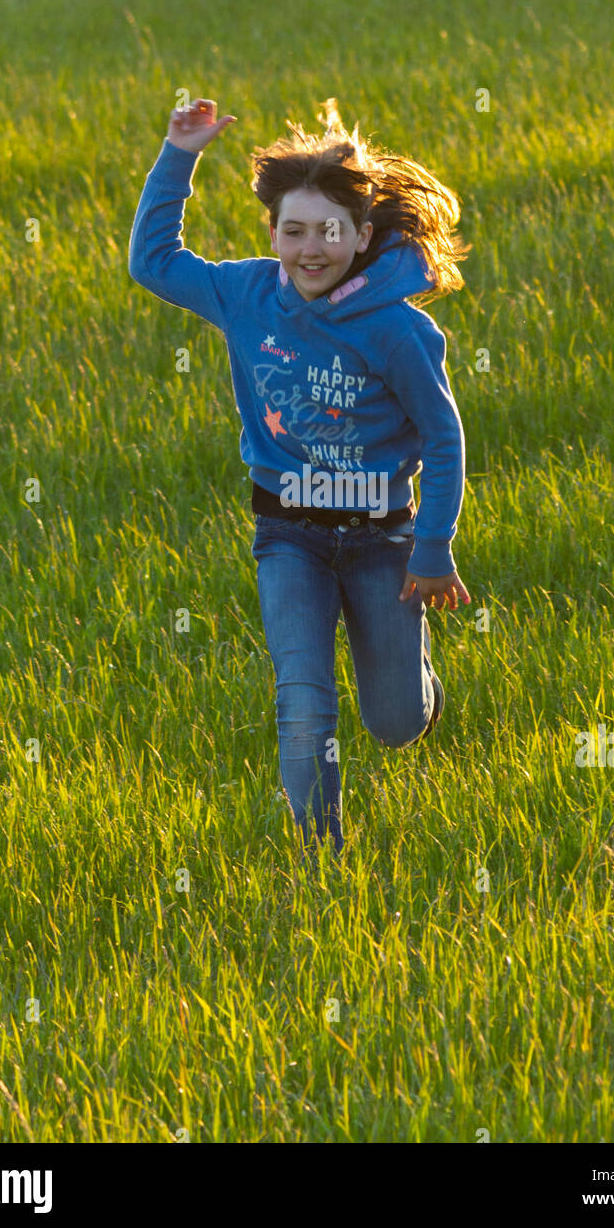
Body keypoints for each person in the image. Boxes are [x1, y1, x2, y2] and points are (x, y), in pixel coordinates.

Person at [129, 96, 471, 867]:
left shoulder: (400, 330)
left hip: (384, 542)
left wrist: (433, 546)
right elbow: (151, 263)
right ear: (271, 232)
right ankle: (323, 865)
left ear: (361, 236)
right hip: (287, 536)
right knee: (303, 703)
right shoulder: (246, 294)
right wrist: (179, 153)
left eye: (329, 231)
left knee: (392, 723)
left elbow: (443, 438)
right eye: (293, 230)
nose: (310, 248)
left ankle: (418, 690)